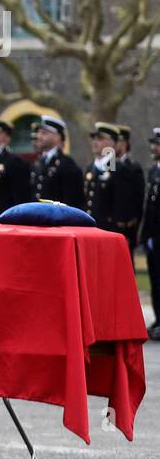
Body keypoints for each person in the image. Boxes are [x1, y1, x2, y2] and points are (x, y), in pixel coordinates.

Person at [85, 122, 138, 243]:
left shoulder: (119, 168)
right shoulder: (90, 168)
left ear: (112, 143)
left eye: (100, 138)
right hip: (90, 231)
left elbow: (123, 205)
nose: (95, 142)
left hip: (109, 232)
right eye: (94, 138)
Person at [30, 114, 85, 208]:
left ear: (57, 137)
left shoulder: (67, 164)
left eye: (44, 133)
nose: (39, 136)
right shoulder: (40, 162)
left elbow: (71, 202)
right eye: (39, 133)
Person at [140, 128, 160, 340]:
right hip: (154, 238)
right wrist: (145, 236)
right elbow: (150, 208)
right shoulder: (154, 171)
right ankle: (158, 318)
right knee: (155, 281)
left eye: (157, 144)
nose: (154, 147)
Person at [114, 125, 145, 249]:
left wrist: (130, 226)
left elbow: (137, 200)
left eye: (117, 141)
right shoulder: (111, 165)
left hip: (126, 227)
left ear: (124, 143)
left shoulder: (133, 168)